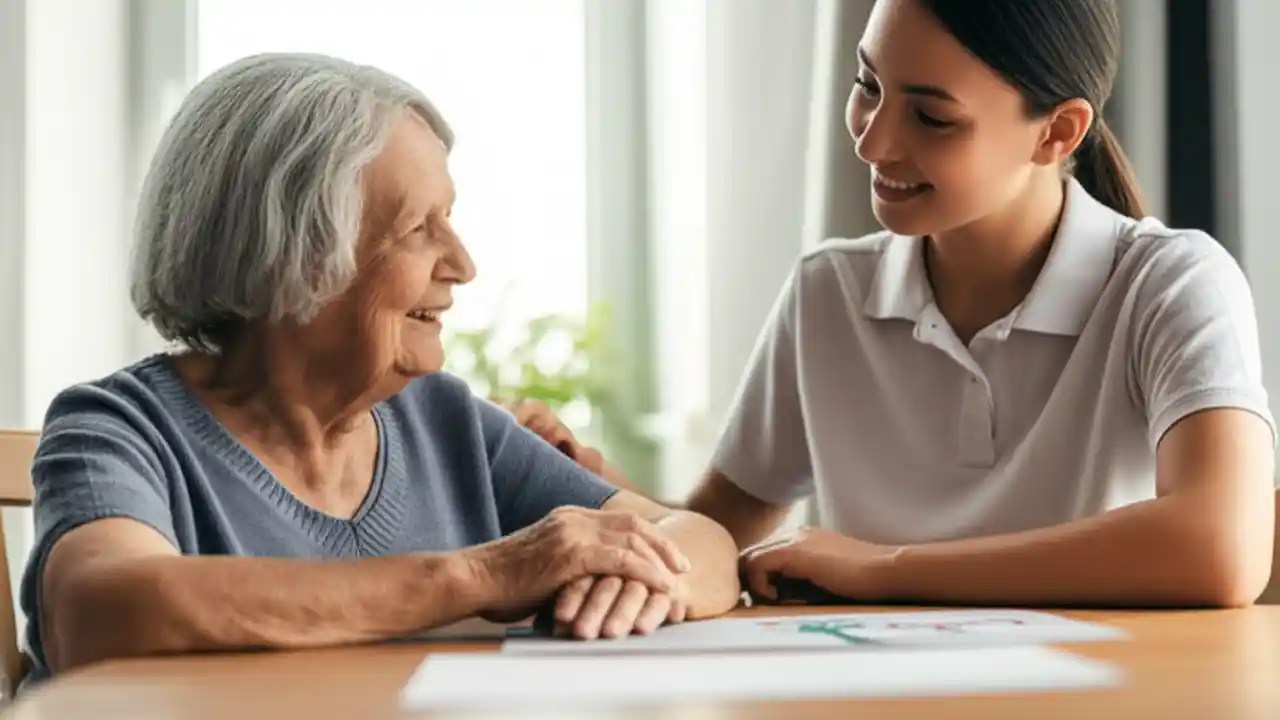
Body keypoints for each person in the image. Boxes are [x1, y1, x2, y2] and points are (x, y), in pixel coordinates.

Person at [514, 0, 1277, 608]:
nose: (874, 142)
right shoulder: (827, 294)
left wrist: (886, 568)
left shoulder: (1169, 284)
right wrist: (586, 477)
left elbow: (1219, 548)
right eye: (867, 85)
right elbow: (717, 533)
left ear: (1057, 132)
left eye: (932, 117)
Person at [19, 53, 740, 681]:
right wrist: (487, 573)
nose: (462, 264)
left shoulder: (448, 424)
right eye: (417, 229)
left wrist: (644, 583)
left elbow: (701, 541)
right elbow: (101, 610)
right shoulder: (118, 429)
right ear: (294, 256)